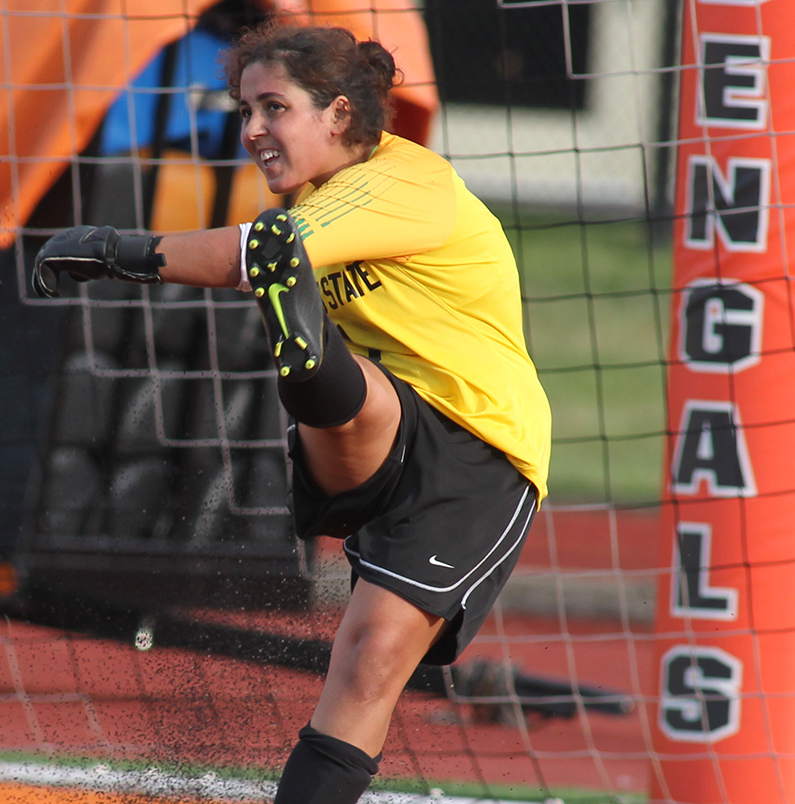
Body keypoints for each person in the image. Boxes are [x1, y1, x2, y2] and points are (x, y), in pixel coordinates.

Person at [32, 21, 551, 804]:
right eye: (244, 111)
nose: (253, 131)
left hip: (480, 451)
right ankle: (307, 366)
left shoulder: (403, 182)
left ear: (339, 113)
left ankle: (308, 365)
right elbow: (261, 252)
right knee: (352, 386)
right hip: (390, 421)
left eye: (273, 108)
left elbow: (244, 257)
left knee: (366, 662)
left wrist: (114, 249)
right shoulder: (326, 196)